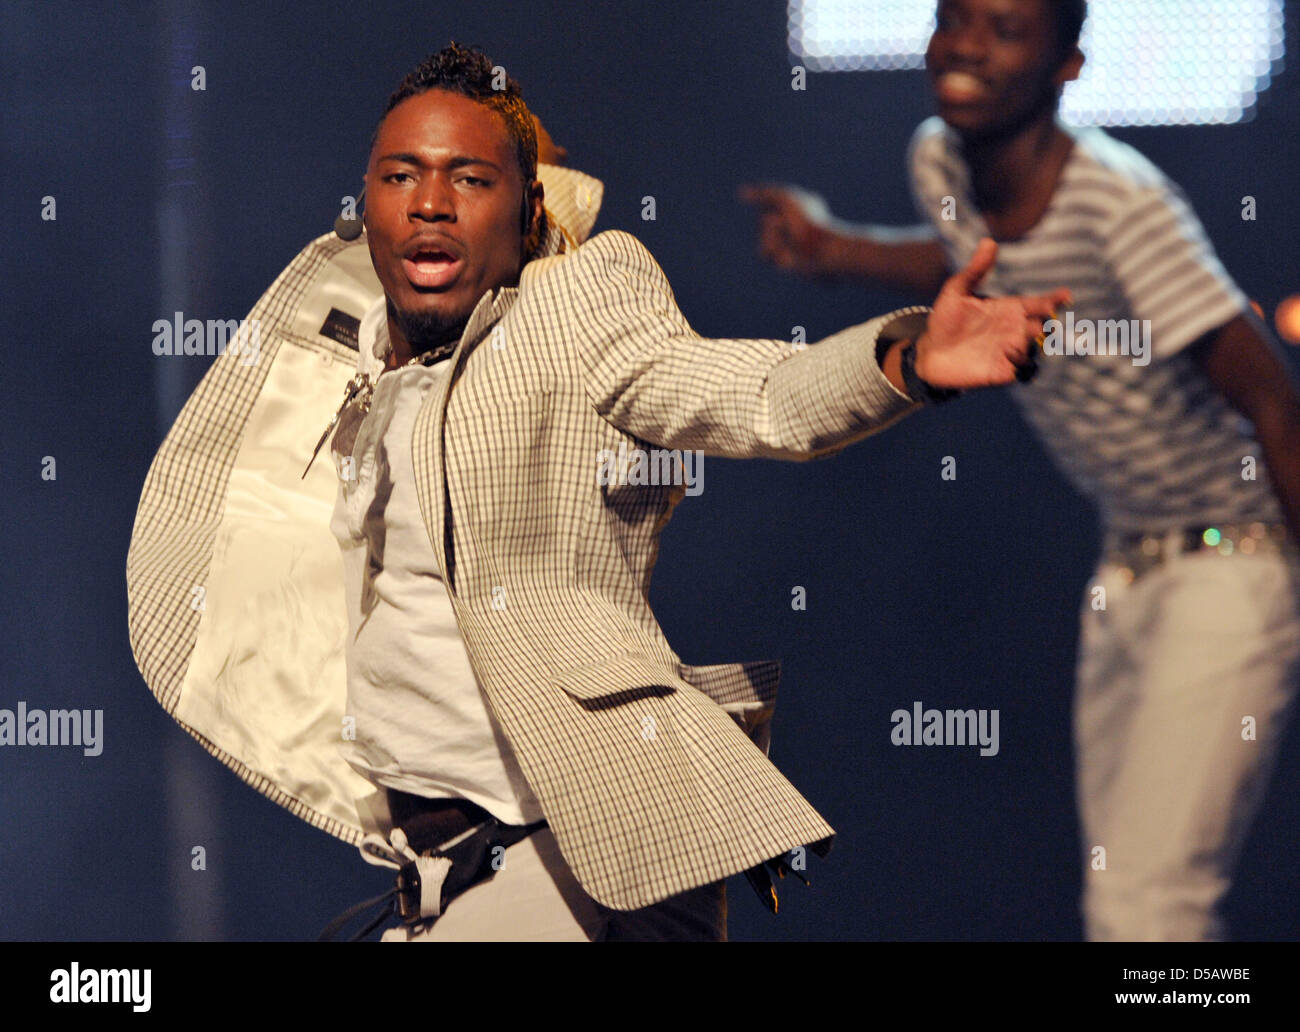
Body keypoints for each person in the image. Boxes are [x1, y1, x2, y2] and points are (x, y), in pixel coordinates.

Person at [127, 42, 1063, 942]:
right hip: (448, 874)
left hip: (568, 853)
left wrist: (908, 361)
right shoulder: (365, 363)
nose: (432, 203)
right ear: (365, 199)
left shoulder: (570, 308)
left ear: (527, 210)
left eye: (472, 178)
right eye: (402, 174)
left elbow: (756, 397)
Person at [742, 0, 1300, 941]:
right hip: (1126, 564)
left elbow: (1274, 397)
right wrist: (837, 251)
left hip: (1237, 561)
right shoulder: (938, 156)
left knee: (1150, 905)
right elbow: (975, 260)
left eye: (1005, 30)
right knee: (1122, 897)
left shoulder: (1124, 205)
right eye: (954, 17)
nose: (966, 46)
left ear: (1068, 67)